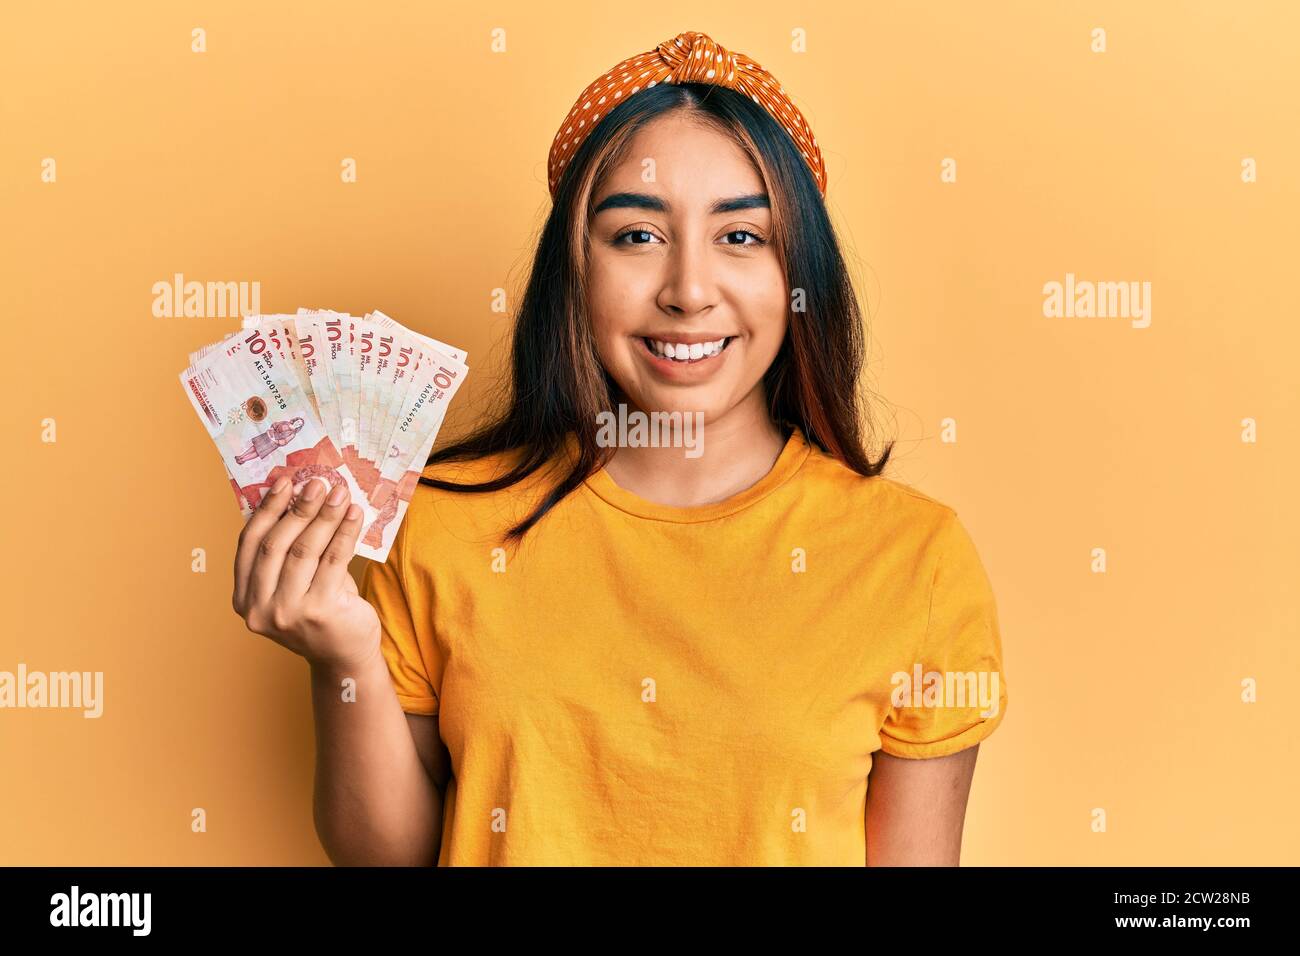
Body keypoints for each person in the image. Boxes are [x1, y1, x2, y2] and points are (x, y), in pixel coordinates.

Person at [232, 30, 1009, 866]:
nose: (688, 291)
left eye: (741, 238)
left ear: (798, 275)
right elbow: (393, 857)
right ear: (576, 268)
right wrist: (340, 655)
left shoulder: (914, 558)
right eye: (637, 236)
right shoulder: (440, 527)